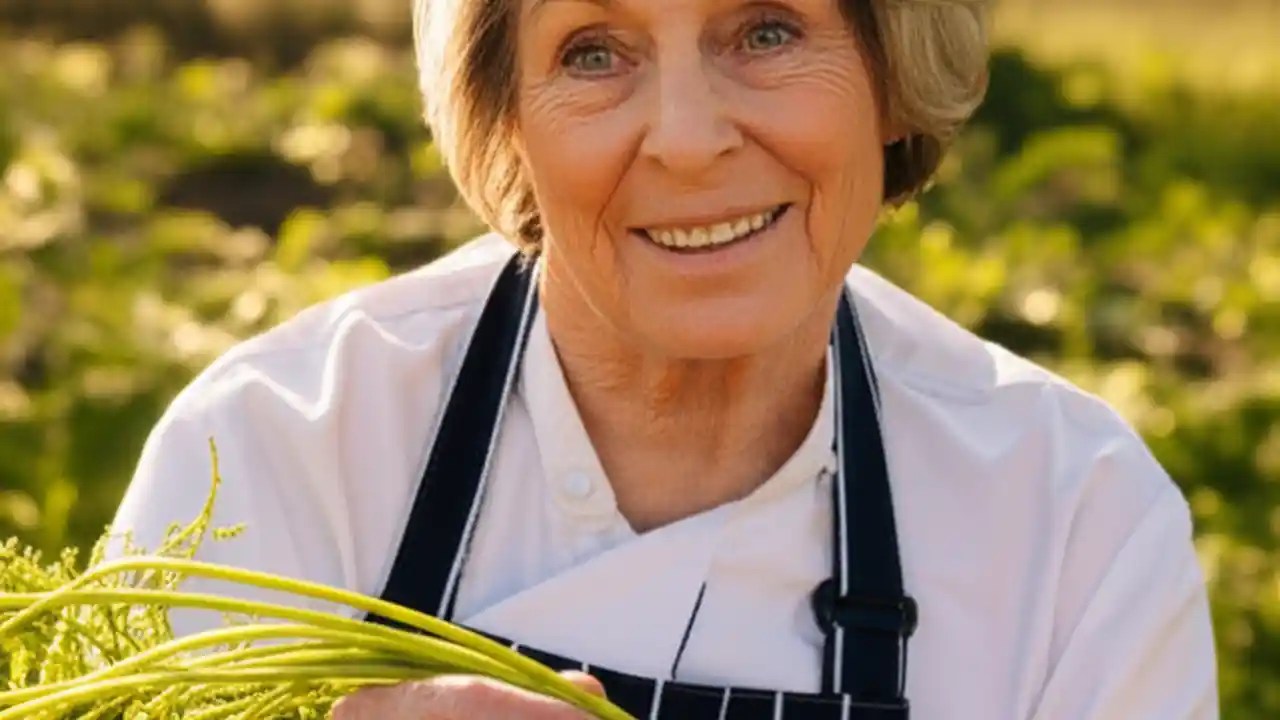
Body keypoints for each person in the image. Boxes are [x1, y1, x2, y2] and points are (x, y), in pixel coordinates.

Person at [111, 0, 1220, 717]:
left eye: (766, 30)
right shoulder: (274, 452)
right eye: (593, 53)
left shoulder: (1074, 524)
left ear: (891, 73)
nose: (687, 140)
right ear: (504, 123)